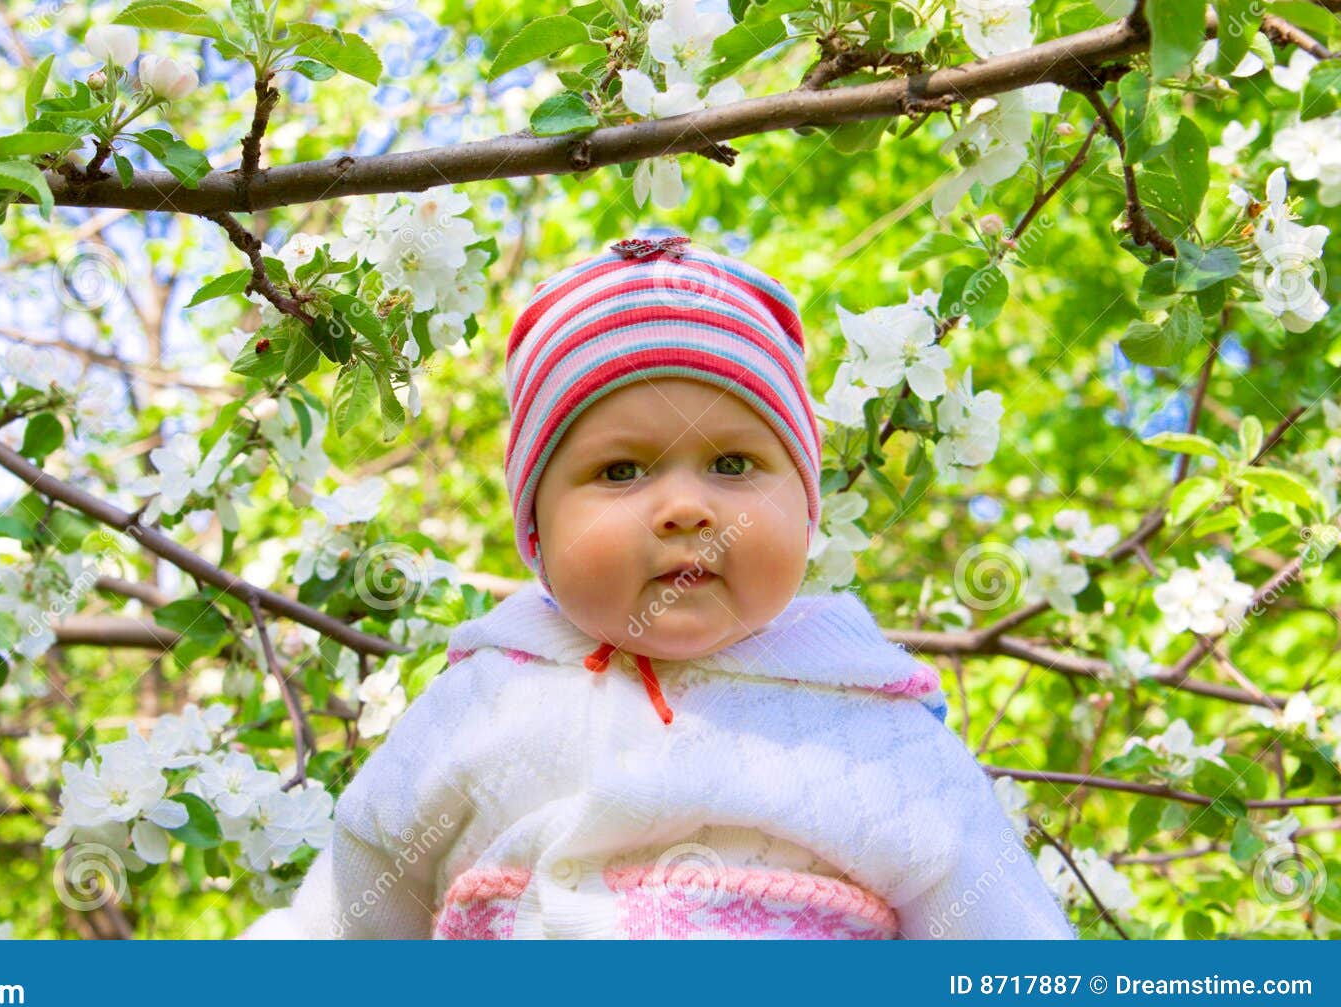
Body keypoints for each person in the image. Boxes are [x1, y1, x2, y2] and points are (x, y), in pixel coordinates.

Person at [239, 232, 1076, 939]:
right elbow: (354, 901)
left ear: (807, 509)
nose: (685, 507)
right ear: (537, 529)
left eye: (734, 463)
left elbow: (1004, 935)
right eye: (622, 469)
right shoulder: (483, 701)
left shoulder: (873, 727)